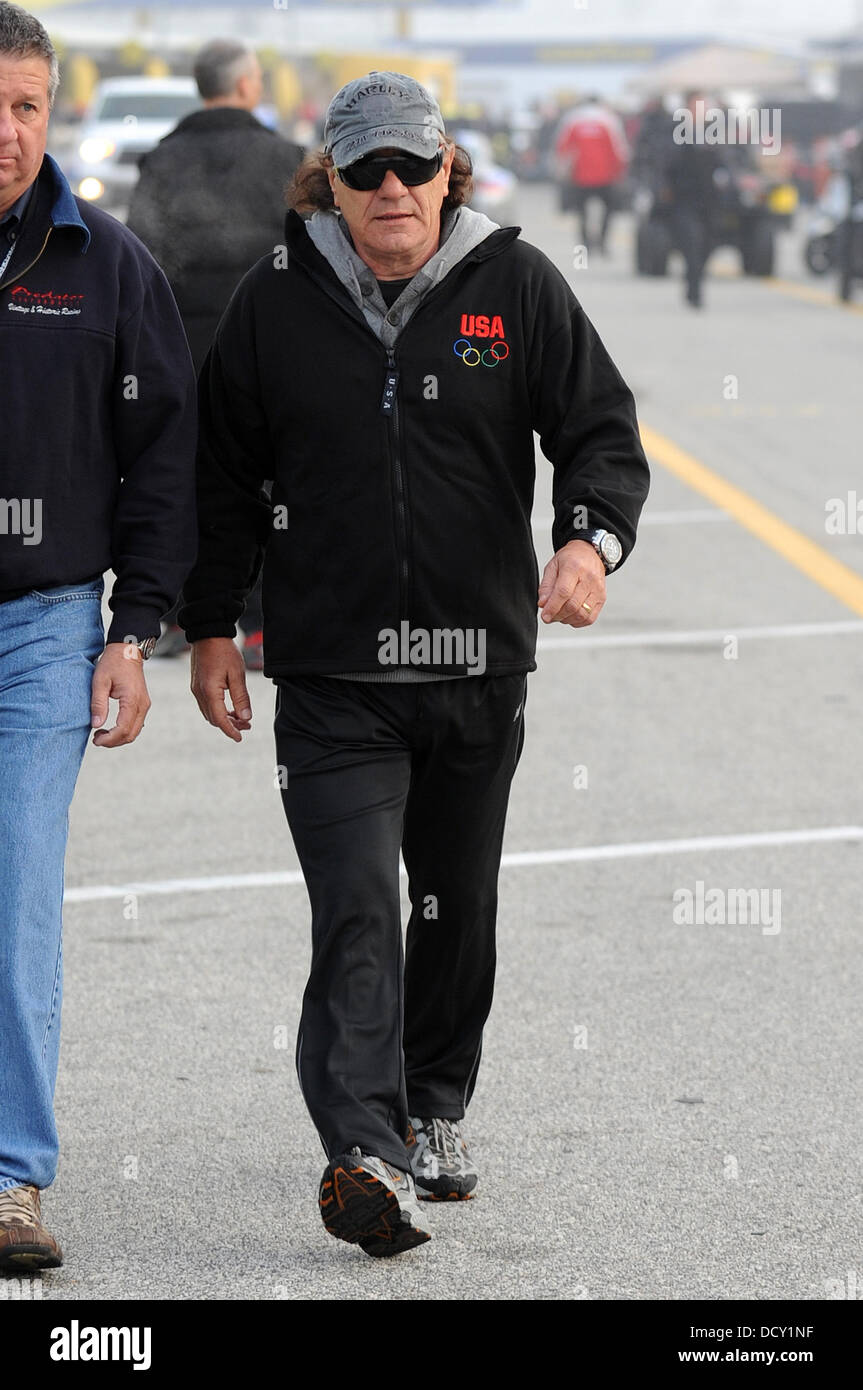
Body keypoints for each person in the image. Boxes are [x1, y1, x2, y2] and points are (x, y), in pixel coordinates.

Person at [178, 71, 650, 1259]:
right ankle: (361, 1149)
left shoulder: (515, 285)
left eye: (412, 166)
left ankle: (433, 1108)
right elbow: (223, 473)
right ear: (326, 182)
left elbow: (597, 428)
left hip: (474, 669)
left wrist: (587, 543)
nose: (391, 189)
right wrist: (213, 626)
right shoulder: (274, 301)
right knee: (354, 912)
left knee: (454, 908)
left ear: (449, 171)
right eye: (365, 169)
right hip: (332, 678)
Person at [0, 2, 197, 1270]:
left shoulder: (106, 264)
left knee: (16, 893)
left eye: (24, 107)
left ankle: (9, 1177)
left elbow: (162, 456)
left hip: (46, 626)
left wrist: (136, 628)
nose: (5, 133)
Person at [126, 39, 303, 669]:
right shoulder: (286, 159)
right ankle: (256, 626)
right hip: (269, 346)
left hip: (177, 343)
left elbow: (144, 257)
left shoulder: (162, 160)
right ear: (248, 86)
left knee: (179, 480)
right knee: (267, 480)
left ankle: (173, 618)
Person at [659, 91, 725, 309]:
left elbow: (725, 159)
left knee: (708, 244)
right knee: (692, 244)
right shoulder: (674, 129)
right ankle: (695, 293)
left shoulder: (714, 130)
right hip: (683, 199)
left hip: (709, 200)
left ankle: (692, 277)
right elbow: (665, 160)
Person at [555, 94, 629, 255]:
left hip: (580, 175)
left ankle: (585, 244)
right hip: (606, 175)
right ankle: (602, 243)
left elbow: (562, 148)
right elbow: (619, 149)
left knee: (582, 213)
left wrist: (562, 172)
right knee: (608, 211)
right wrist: (620, 171)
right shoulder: (609, 120)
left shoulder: (573, 120)